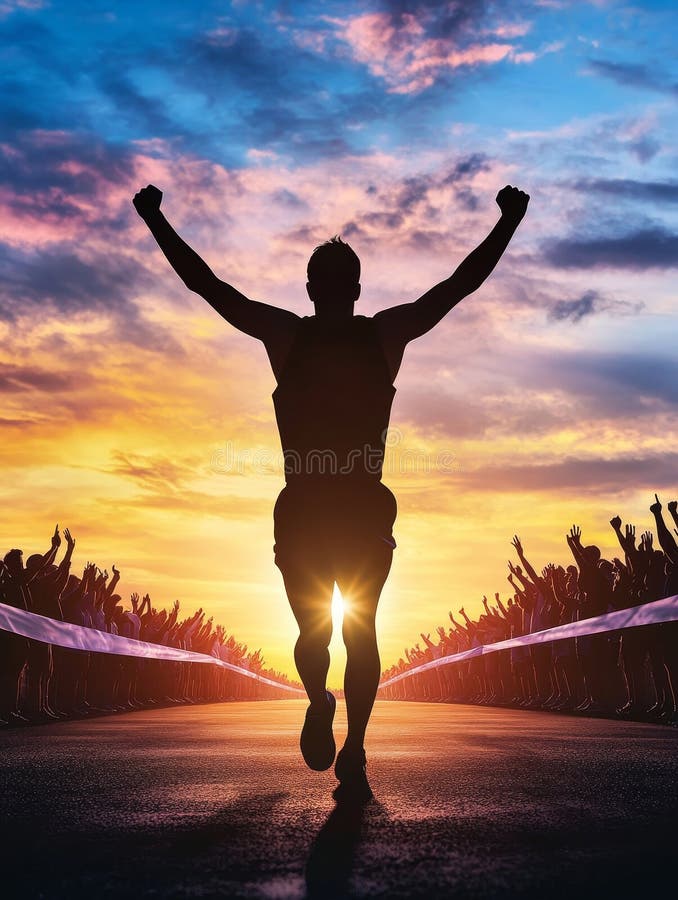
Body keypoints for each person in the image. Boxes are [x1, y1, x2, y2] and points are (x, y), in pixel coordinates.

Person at [132, 180, 530, 800]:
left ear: (313, 290)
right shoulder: (384, 336)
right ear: (356, 290)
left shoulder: (287, 336)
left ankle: (329, 708)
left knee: (320, 631)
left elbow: (207, 287)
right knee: (356, 632)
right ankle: (351, 737)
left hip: (308, 510)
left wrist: (156, 219)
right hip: (357, 506)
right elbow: (458, 287)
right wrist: (508, 222)